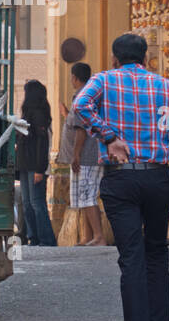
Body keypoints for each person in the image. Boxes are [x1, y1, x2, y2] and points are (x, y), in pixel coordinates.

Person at [73, 33, 169, 321]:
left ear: (115, 59)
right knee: (157, 251)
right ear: (146, 59)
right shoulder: (168, 88)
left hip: (121, 178)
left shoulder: (103, 80)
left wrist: (109, 136)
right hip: (159, 177)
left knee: (132, 256)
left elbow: (80, 105)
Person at [56, 63, 105, 245]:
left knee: (87, 194)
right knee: (85, 197)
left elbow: (81, 130)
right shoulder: (90, 95)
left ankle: (99, 236)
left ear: (75, 78)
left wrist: (76, 155)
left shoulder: (81, 97)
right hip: (89, 155)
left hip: (87, 156)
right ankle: (88, 236)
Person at [16, 80, 57, 246]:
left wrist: (40, 169)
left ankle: (46, 239)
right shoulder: (28, 115)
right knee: (27, 203)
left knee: (36, 202)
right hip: (26, 165)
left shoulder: (39, 116)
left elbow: (42, 144)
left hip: (35, 166)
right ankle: (33, 236)